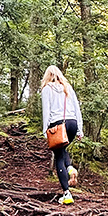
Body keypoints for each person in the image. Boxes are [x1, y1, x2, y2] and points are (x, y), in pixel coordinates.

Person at [41, 65, 83, 204]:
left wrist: (45, 130)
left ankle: (67, 194)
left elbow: (46, 111)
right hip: (72, 123)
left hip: (57, 124)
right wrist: (80, 129)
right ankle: (70, 168)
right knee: (63, 149)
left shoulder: (47, 89)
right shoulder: (68, 87)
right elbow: (77, 109)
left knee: (59, 156)